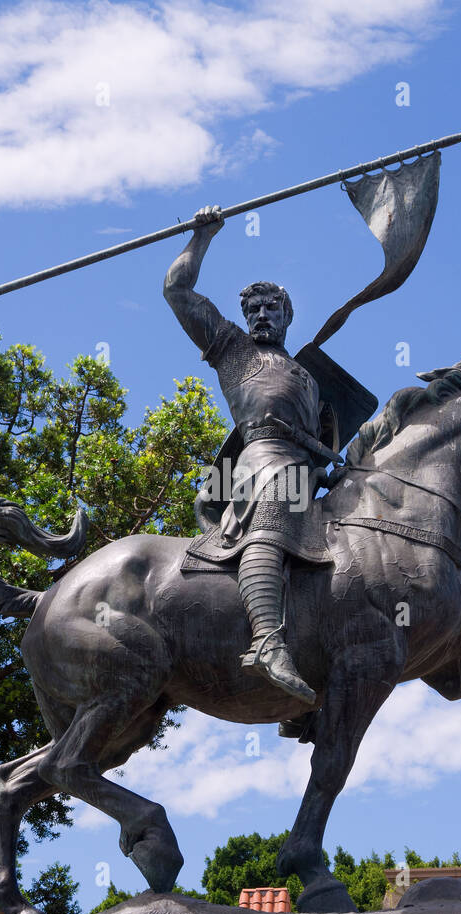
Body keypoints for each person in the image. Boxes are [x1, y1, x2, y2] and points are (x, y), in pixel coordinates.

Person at [163, 205, 333, 709]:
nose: (260, 315)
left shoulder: (307, 377)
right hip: (263, 462)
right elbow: (176, 292)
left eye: (270, 308)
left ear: (286, 316)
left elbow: (324, 437)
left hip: (308, 471)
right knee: (277, 504)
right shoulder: (235, 351)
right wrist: (202, 237)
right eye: (253, 308)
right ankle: (266, 640)